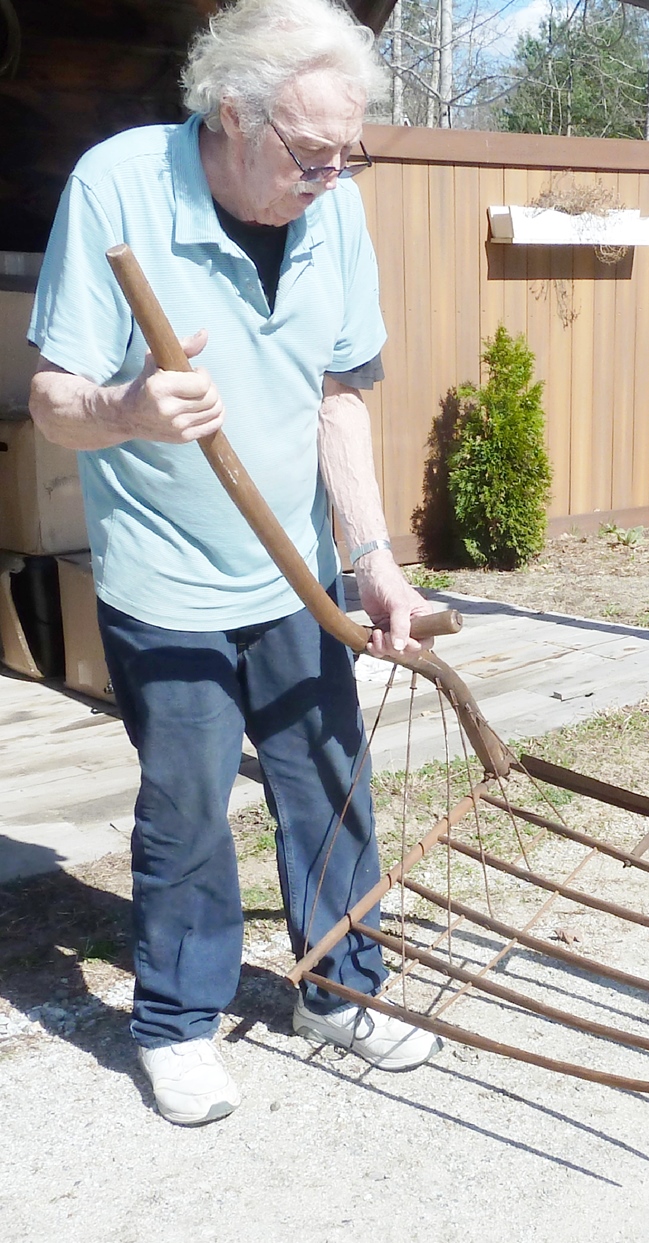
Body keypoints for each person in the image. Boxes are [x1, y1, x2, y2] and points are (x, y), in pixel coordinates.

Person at [28, 0, 440, 1126]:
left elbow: (338, 395)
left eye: (347, 150)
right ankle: (175, 1021)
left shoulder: (335, 209)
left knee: (327, 779)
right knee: (188, 804)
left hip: (294, 571)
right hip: (165, 575)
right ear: (229, 117)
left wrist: (370, 559)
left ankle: (340, 990)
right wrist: (126, 406)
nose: (331, 174)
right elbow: (52, 403)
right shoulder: (119, 186)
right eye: (310, 152)